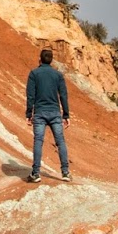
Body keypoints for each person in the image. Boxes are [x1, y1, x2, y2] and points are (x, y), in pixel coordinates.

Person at [25, 47, 73, 182]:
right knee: (60, 141)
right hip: (55, 113)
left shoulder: (34, 74)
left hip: (39, 112)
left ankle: (35, 174)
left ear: (40, 59)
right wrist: (66, 115)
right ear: (51, 60)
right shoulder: (58, 75)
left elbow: (30, 96)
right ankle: (65, 173)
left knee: (38, 141)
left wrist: (29, 113)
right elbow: (63, 95)